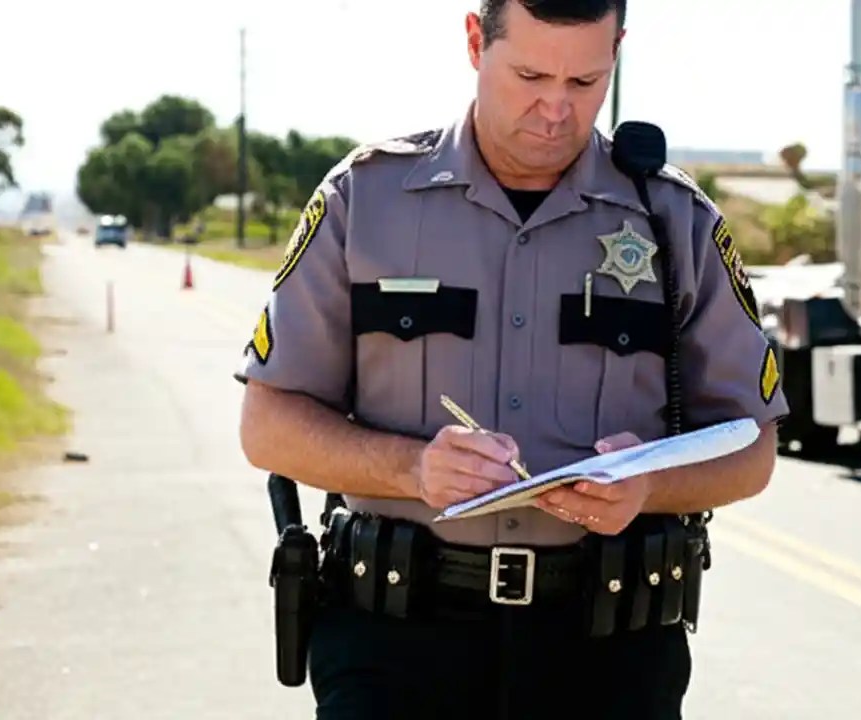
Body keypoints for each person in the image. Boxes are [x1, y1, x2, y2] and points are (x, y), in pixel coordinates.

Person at [235, 0, 789, 717]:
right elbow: (268, 425)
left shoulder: (673, 220)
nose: (556, 108)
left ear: (617, 50)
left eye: (586, 82)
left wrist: (647, 487)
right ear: (475, 39)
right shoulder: (364, 200)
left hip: (608, 649)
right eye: (529, 74)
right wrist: (413, 468)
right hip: (397, 641)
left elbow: (751, 447)